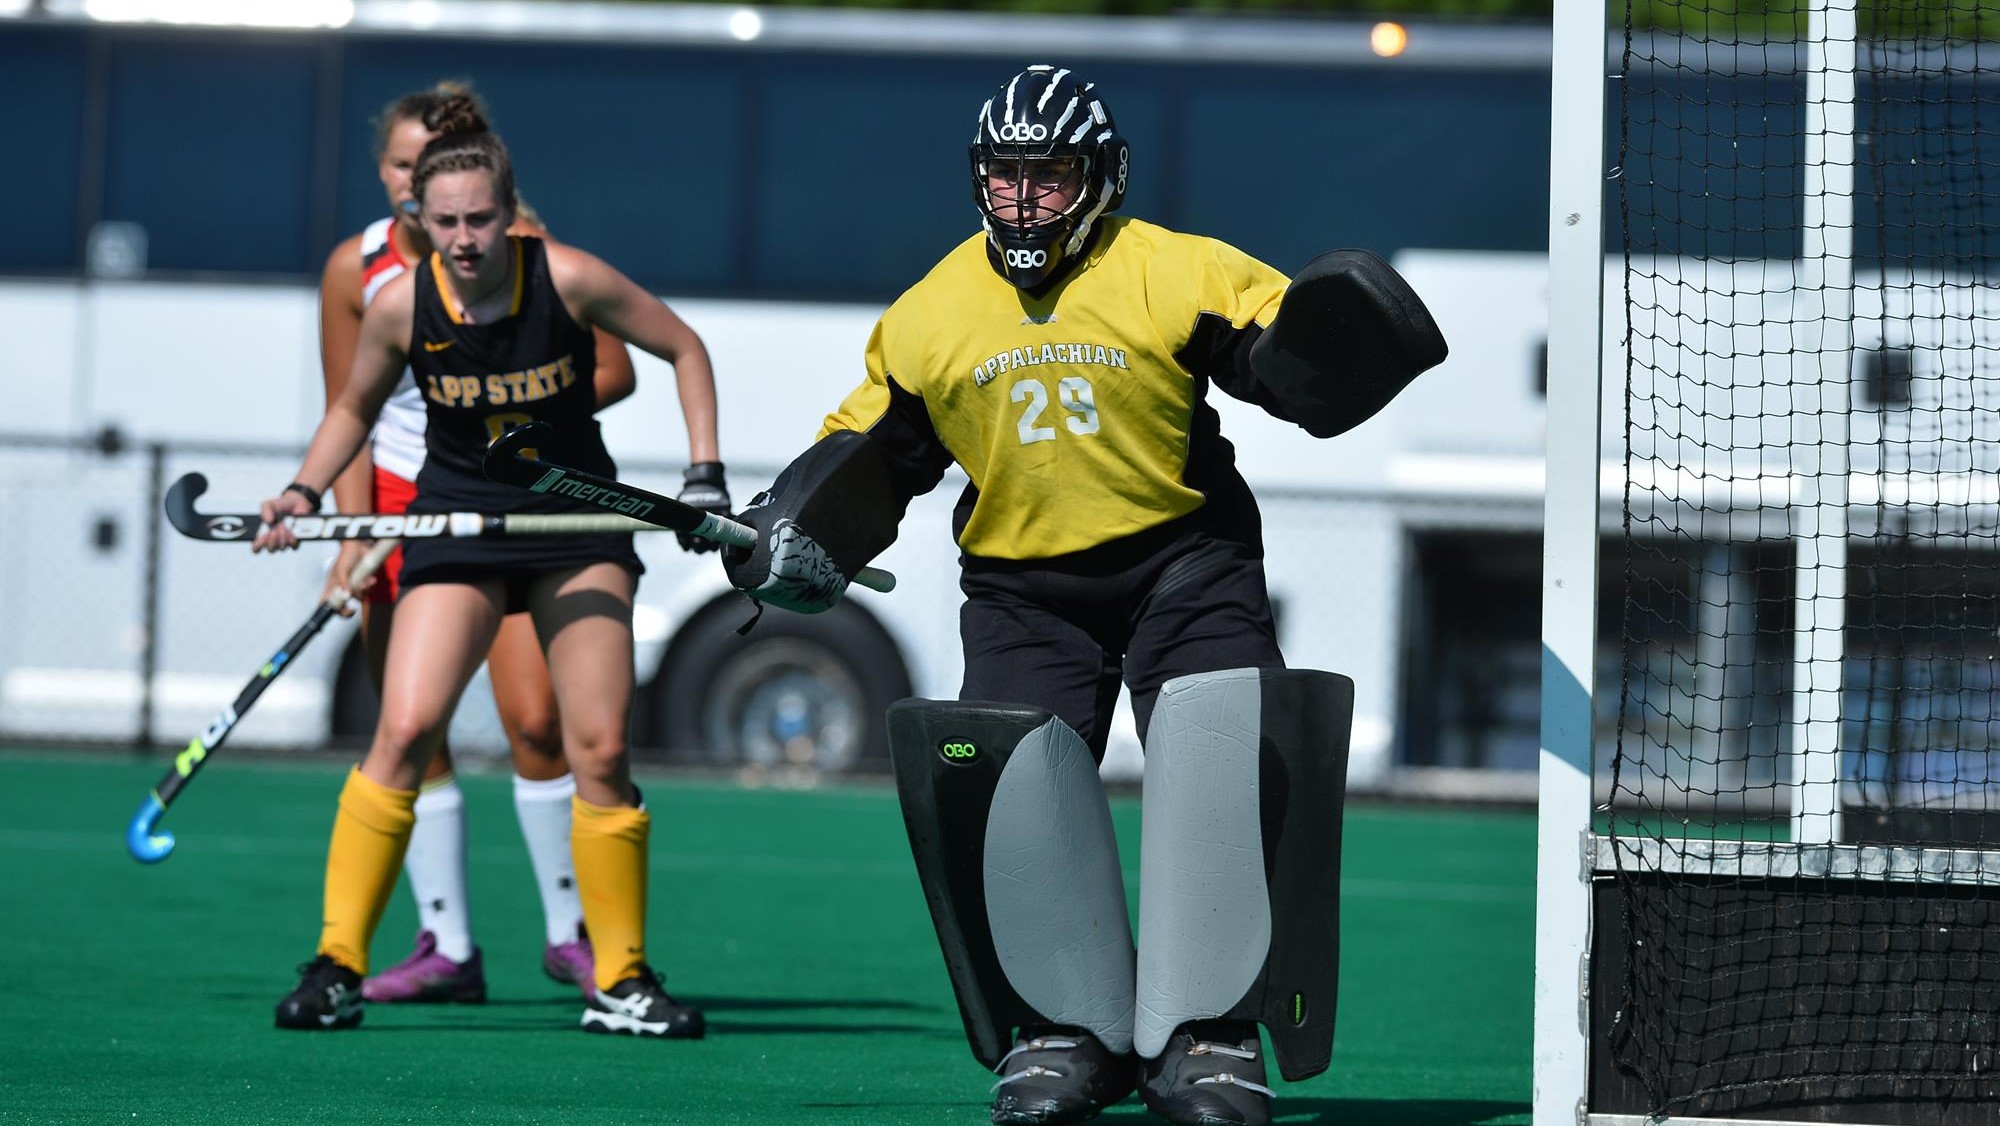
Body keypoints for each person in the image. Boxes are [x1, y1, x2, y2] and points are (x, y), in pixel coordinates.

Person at [720, 65, 1446, 1126]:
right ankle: (1064, 1031)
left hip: (1186, 566)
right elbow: (869, 454)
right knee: (1021, 799)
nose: (1022, 200)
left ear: (1100, 178)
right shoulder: (928, 314)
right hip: (1022, 591)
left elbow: (1282, 358)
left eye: (1047, 176)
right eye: (1003, 177)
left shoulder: (1175, 269)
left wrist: (1327, 343)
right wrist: (795, 531)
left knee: (1218, 767)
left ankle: (1208, 1034)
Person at [258, 94, 724, 1039]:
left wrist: (704, 474)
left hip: (574, 525)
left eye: (481, 219)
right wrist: (303, 496)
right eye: (447, 222)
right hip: (457, 524)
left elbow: (681, 348)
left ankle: (621, 976)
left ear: (508, 213)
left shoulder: (569, 278)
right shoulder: (398, 305)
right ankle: (338, 963)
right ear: (418, 223)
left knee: (595, 745)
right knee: (406, 726)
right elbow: (350, 411)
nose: (466, 239)